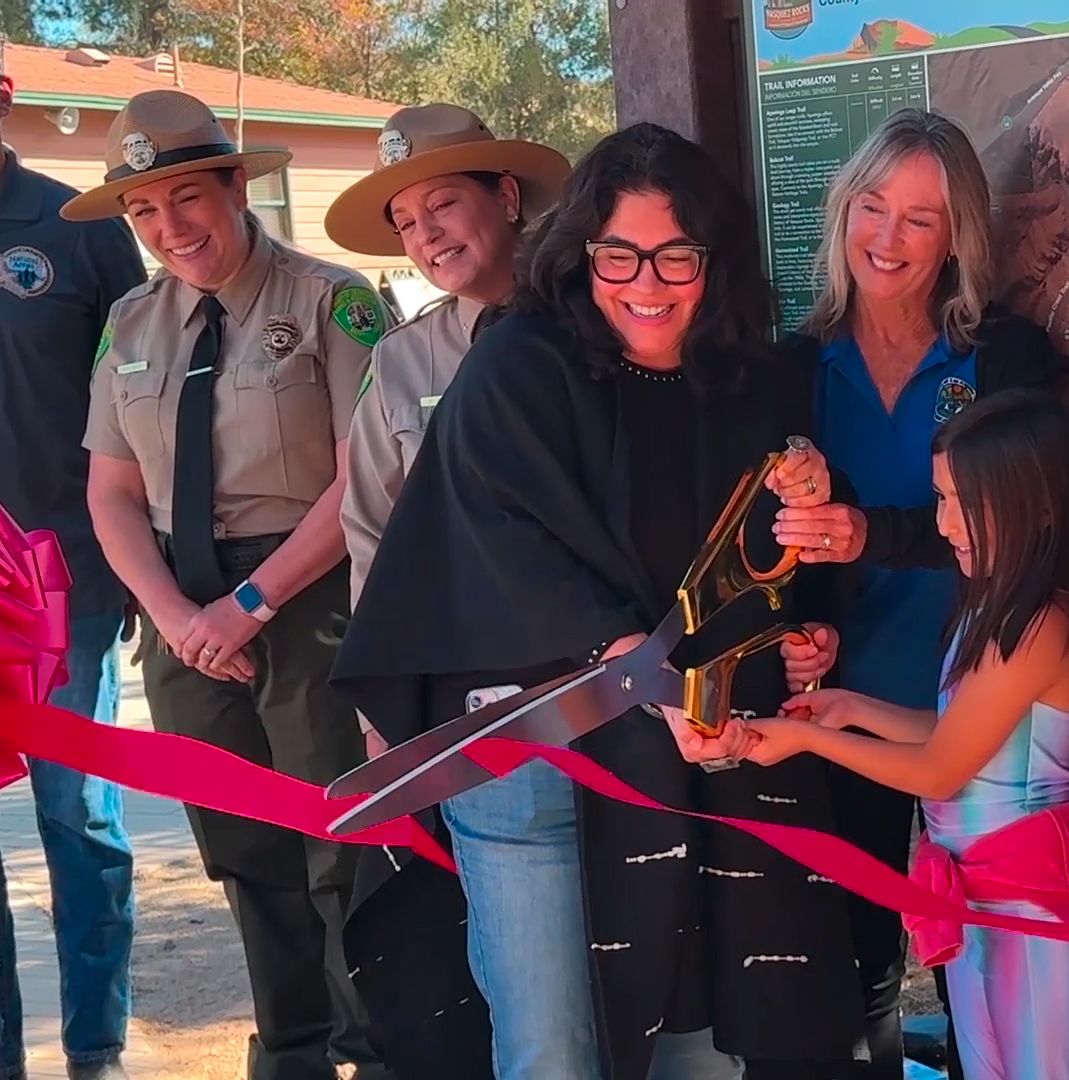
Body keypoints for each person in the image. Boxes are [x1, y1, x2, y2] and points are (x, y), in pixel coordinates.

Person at [331, 122, 873, 1080]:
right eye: (619, 253)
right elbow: (503, 548)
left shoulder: (747, 379)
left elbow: (754, 566)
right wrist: (642, 667)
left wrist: (798, 632)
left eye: (676, 255)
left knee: (692, 1029)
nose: (648, 283)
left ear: (716, 258)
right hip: (533, 743)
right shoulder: (516, 363)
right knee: (554, 1044)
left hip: (689, 742)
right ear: (583, 251)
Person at [69, 89, 392, 1080]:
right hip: (181, 611)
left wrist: (246, 607)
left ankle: (371, 1050)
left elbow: (360, 478)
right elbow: (112, 492)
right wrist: (178, 617)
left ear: (236, 185)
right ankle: (290, 1050)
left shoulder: (333, 300)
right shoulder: (130, 322)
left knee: (339, 839)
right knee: (241, 849)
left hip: (307, 598)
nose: (170, 228)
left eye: (186, 198)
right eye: (144, 211)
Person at [751, 391, 1069, 1080]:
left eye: (967, 503)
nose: (947, 524)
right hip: (987, 896)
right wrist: (850, 707)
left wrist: (807, 740)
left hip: (1040, 906)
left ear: (1040, 505)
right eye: (941, 499)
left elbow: (941, 771)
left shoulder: (1042, 623)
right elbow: (965, 736)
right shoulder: (998, 604)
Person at [766, 107, 1069, 1077]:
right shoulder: (788, 369)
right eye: (872, 206)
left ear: (959, 238)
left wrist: (872, 531)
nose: (886, 239)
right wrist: (800, 628)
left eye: (920, 219)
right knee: (854, 958)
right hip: (848, 701)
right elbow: (765, 546)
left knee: (980, 960)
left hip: (978, 711)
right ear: (842, 211)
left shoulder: (1006, 360)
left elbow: (1027, 534)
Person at [324, 104, 575, 1078]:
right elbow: (373, 543)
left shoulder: (594, 326)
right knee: (522, 984)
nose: (428, 234)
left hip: (604, 694)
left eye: (444, 204)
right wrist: (384, 726)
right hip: (473, 715)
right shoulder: (402, 364)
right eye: (406, 221)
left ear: (506, 198)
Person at [0, 62, 146, 1080]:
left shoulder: (76, 226)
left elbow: (145, 397)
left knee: (75, 815)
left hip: (65, 582)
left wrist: (144, 561)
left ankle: (96, 1049)